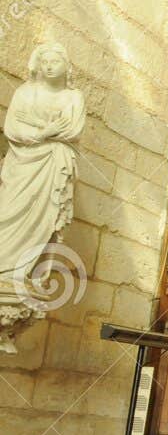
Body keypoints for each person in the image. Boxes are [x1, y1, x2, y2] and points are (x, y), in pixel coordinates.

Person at [0, 43, 85, 348]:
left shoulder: (74, 97)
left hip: (53, 166)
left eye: (55, 61)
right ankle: (5, 269)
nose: (49, 66)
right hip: (23, 165)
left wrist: (40, 131)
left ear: (66, 65)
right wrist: (45, 131)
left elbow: (73, 129)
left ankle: (25, 273)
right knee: (9, 213)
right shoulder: (25, 92)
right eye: (44, 61)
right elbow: (12, 127)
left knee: (45, 218)